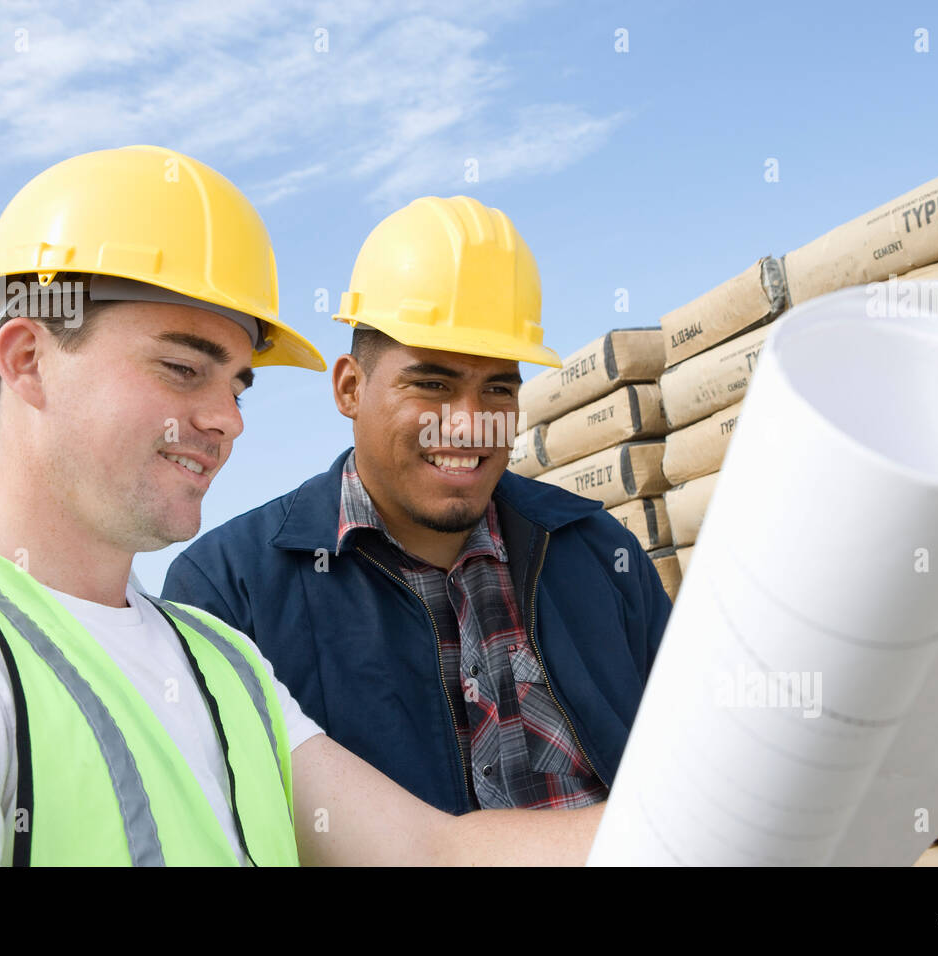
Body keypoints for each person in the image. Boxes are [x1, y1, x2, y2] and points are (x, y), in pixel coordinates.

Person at [0, 148, 600, 866]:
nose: (228, 418)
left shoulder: (221, 661)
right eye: (182, 368)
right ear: (28, 361)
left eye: (236, 383)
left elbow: (435, 854)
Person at [163, 196, 671, 815]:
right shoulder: (229, 588)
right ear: (350, 388)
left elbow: (694, 760)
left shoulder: (597, 550)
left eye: (497, 389)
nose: (468, 425)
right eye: (431, 384)